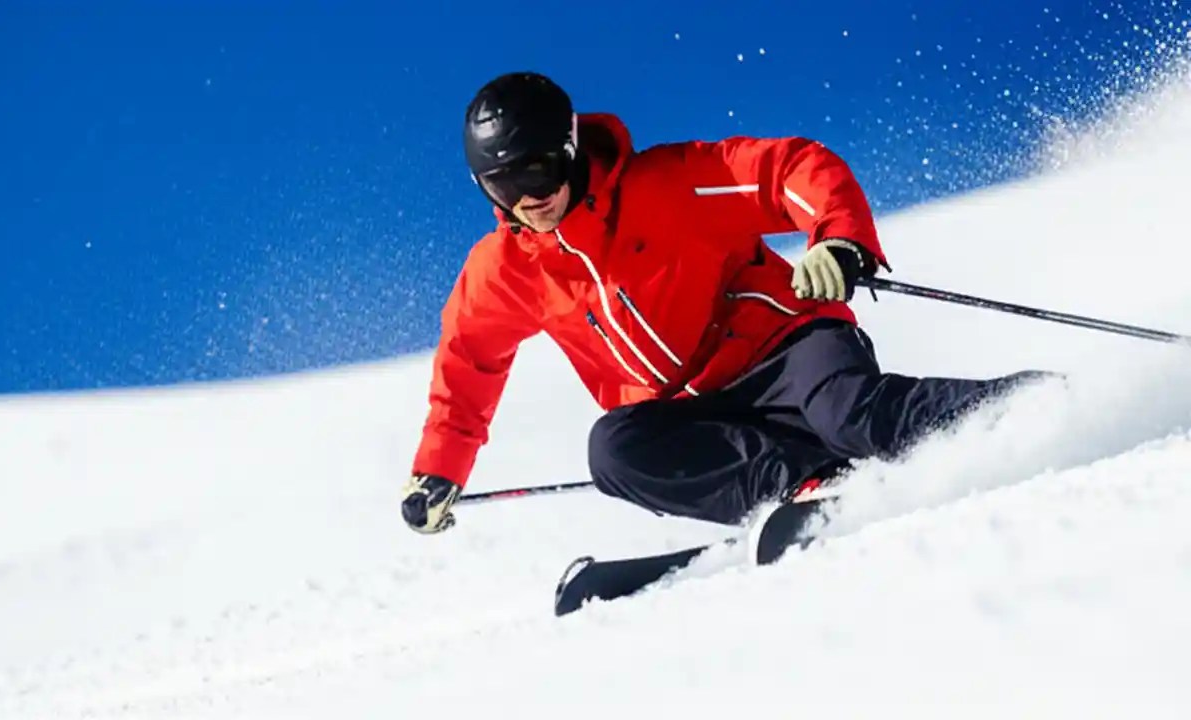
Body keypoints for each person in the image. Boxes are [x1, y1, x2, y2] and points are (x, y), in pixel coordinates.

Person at [400, 71, 1039, 533]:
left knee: (848, 416)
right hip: (697, 412)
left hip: (785, 350)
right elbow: (467, 363)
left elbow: (788, 168)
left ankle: (1025, 408)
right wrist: (440, 471)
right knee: (614, 452)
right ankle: (807, 488)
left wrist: (837, 241)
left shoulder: (665, 187)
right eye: (503, 182)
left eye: (536, 172)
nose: (526, 197)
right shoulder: (501, 271)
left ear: (568, 153)